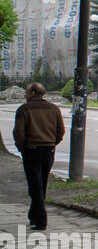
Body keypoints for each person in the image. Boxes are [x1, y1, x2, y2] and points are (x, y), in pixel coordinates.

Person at [12, 82, 65, 231]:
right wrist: (52, 143)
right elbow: (60, 130)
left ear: (33, 93)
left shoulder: (24, 109)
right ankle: (34, 215)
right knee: (42, 183)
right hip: (48, 150)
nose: (25, 95)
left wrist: (21, 147)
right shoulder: (54, 109)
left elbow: (19, 132)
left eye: (27, 92)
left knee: (35, 186)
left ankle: (41, 220)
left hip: (31, 150)